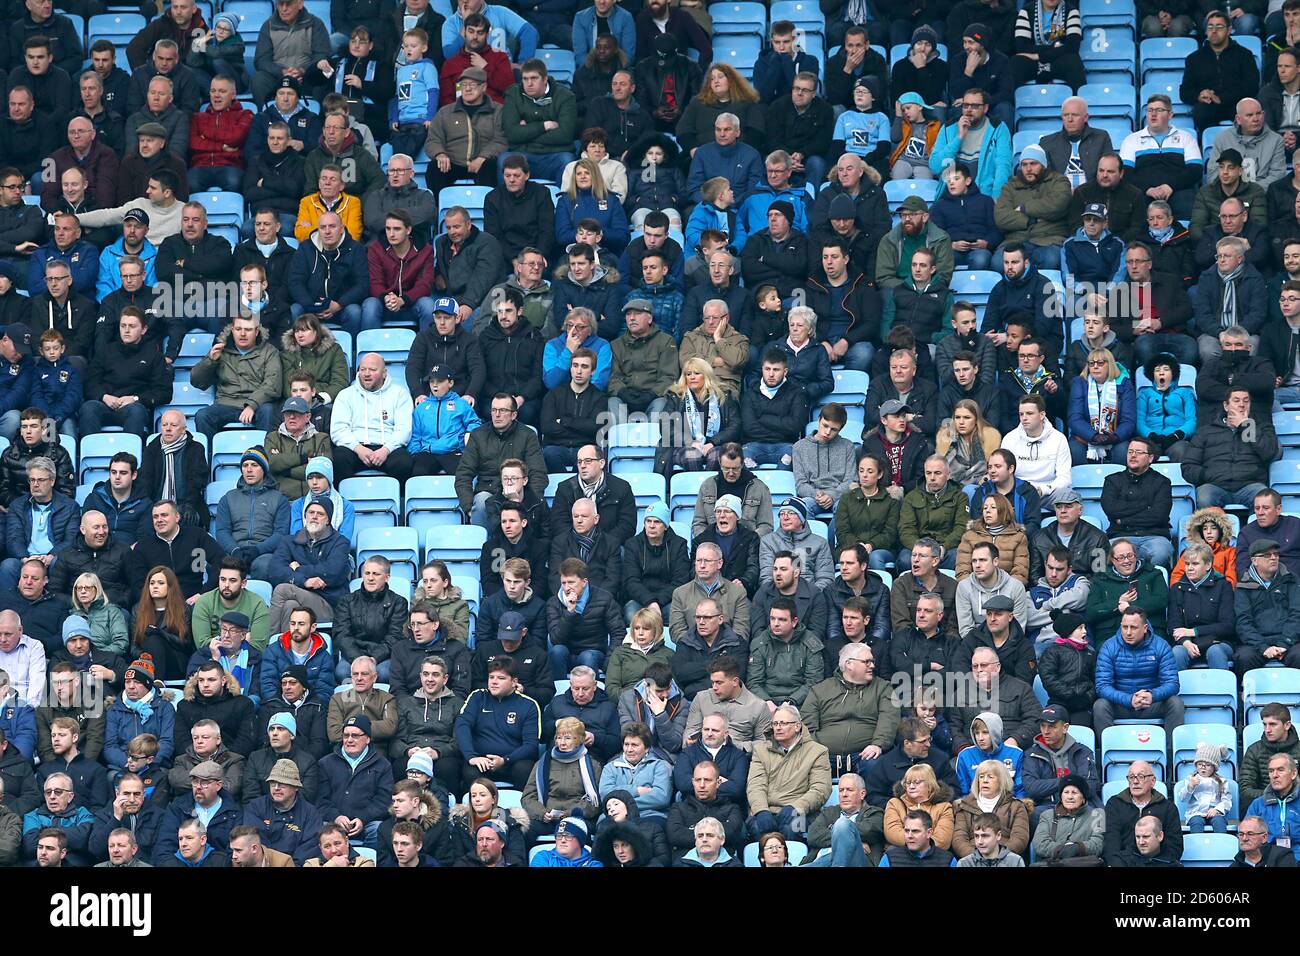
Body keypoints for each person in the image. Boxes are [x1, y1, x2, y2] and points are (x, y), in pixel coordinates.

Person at [1183, 386, 1281, 509]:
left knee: (1264, 500)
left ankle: (1252, 529)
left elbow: (1269, 453)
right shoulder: (1206, 431)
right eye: (1236, 400)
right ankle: (1217, 528)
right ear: (1226, 406)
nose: (1242, 405)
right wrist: (1207, 475)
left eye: (1246, 401)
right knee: (1204, 497)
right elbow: (1188, 466)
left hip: (1250, 485)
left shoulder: (1262, 427)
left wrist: (1246, 426)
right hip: (1215, 485)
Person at [745, 703, 831, 841]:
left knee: (792, 828)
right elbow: (755, 785)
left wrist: (796, 807)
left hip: (801, 813)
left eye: (783, 723)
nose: (778, 727)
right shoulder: (761, 750)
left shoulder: (818, 751)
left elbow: (820, 789)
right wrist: (761, 810)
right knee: (757, 828)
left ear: (797, 726)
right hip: (767, 811)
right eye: (775, 723)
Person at [455, 657, 540, 792]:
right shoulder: (477, 697)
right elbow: (462, 726)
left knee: (525, 769)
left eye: (500, 678)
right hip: (481, 760)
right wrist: (472, 756)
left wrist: (505, 760)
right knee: (469, 771)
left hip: (512, 761)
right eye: (491, 677)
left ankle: (521, 811)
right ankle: (471, 811)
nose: (494, 682)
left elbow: (531, 745)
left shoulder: (529, 705)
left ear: (514, 682)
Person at [1120, 94, 1204, 221]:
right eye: (1150, 110)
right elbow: (1125, 173)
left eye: (1159, 110)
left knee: (1188, 204)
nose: (1153, 114)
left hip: (1178, 191)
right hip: (1144, 192)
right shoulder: (1132, 140)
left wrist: (1170, 186)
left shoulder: (1185, 138)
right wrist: (1148, 189)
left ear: (1170, 115)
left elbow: (1195, 170)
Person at [1102, 758, 1184, 866]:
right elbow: (1110, 843)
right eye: (1131, 777)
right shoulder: (1115, 804)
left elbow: (1175, 846)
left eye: (1141, 777)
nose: (1135, 781)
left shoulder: (1168, 808)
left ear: (1153, 781)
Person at [1237, 489, 1300, 580]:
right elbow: (1242, 569)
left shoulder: (1295, 525)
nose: (1260, 513)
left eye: (1266, 508)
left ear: (1278, 509)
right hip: (1261, 589)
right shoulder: (1246, 533)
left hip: (1295, 585)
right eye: (1257, 508)